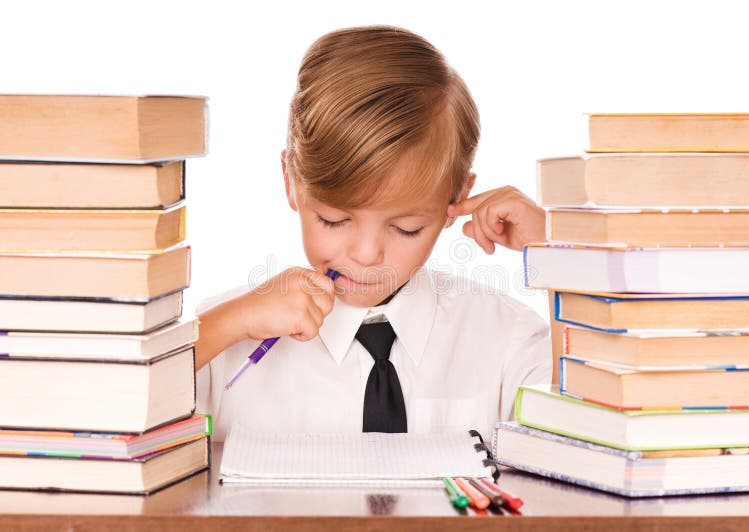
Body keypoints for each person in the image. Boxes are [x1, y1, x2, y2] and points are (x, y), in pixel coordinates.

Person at [194, 25, 550, 441]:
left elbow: (605, 433)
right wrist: (221, 328)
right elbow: (113, 418)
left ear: (456, 200)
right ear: (291, 180)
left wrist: (563, 256)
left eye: (406, 228)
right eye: (333, 220)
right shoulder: (218, 340)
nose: (365, 253)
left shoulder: (506, 338)